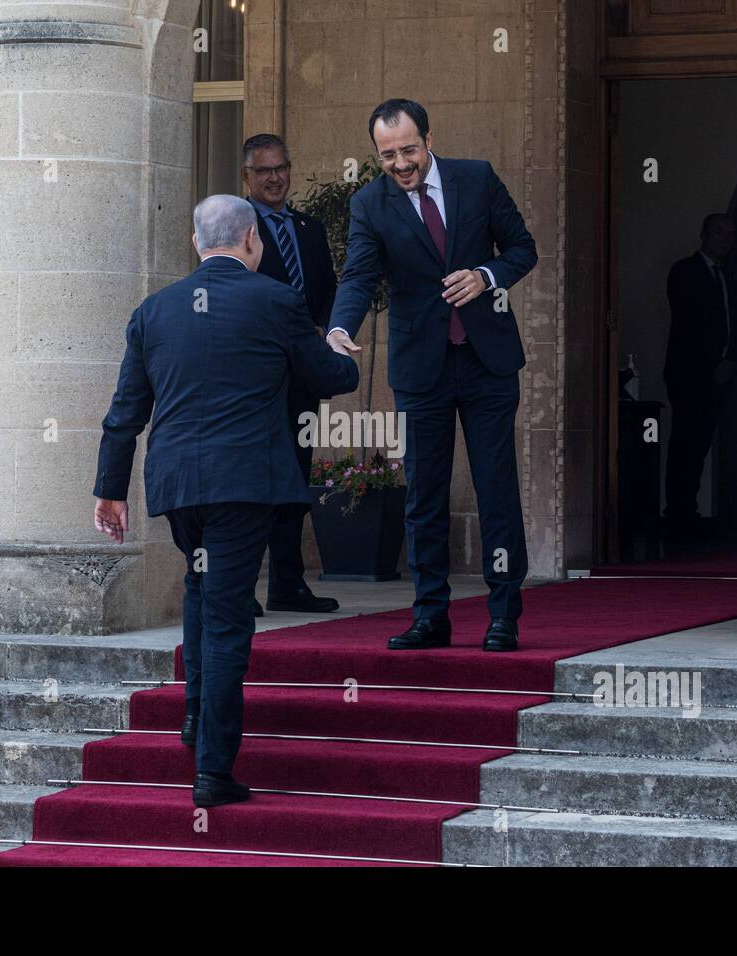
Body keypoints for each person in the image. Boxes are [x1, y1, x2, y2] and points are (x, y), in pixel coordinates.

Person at [91, 195, 359, 807]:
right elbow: (329, 378)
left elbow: (124, 414)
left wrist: (109, 489)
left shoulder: (153, 310)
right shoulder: (276, 299)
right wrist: (341, 351)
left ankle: (194, 718)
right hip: (244, 482)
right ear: (251, 241)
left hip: (179, 484)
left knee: (200, 586)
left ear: (195, 242)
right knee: (229, 616)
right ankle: (213, 771)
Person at [326, 98, 537, 652]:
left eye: (409, 150)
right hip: (422, 367)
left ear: (428, 139)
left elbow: (522, 248)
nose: (400, 164)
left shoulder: (476, 178)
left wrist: (487, 275)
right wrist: (338, 328)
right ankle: (430, 615)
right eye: (387, 154)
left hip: (487, 361)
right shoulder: (371, 203)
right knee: (423, 495)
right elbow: (358, 275)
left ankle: (503, 615)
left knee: (496, 490)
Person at [241, 132, 341, 616]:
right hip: (252, 378)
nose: (275, 178)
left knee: (293, 479)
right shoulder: (234, 228)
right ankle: (241, 587)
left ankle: (288, 584)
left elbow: (327, 294)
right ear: (247, 177)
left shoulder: (309, 228)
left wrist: (328, 335)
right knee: (252, 481)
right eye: (264, 171)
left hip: (301, 376)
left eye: (281, 168)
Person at [662, 213, 737, 530]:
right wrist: (712, 366)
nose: (725, 239)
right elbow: (689, 325)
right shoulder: (684, 271)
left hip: (721, 376)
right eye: (719, 232)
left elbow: (735, 324)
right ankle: (678, 512)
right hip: (689, 375)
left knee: (702, 444)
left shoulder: (729, 277)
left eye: (731, 234)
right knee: (685, 442)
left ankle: (690, 509)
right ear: (704, 235)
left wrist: (732, 360)